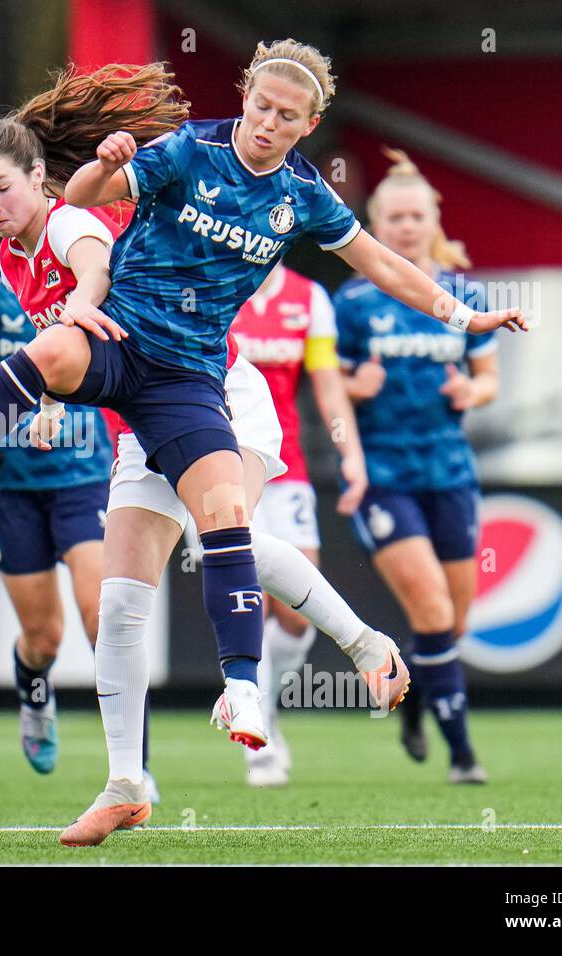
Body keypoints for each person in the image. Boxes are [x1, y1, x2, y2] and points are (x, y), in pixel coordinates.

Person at [0, 43, 524, 846]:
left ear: (309, 125)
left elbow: (378, 262)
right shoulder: (61, 228)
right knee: (125, 590)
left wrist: (464, 319)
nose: (268, 125)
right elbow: (88, 204)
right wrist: (106, 173)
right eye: (260, 107)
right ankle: (126, 783)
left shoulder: (290, 194)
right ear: (243, 97)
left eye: (288, 116)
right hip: (137, 385)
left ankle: (256, 685)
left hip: (211, 387)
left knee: (223, 529)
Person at [336, 148, 500, 784]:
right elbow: (325, 380)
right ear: (377, 224)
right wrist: (355, 382)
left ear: (434, 220)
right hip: (384, 475)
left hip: (450, 470)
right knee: (431, 610)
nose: (406, 226)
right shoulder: (353, 301)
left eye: (416, 215)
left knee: (452, 621)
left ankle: (414, 701)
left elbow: (488, 378)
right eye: (394, 217)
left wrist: (472, 392)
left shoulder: (465, 296)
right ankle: (463, 757)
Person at [0, 259, 124, 782]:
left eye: (3, 188)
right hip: (8, 486)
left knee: (106, 619)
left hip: (83, 477)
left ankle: (135, 768)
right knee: (44, 638)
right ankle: (35, 698)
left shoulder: (91, 273)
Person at [229, 262, 367, 786]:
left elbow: (328, 386)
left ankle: (264, 709)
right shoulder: (213, 276)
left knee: (296, 617)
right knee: (251, 595)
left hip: (287, 470)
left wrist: (348, 452)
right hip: (224, 463)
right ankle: (255, 734)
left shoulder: (309, 298)